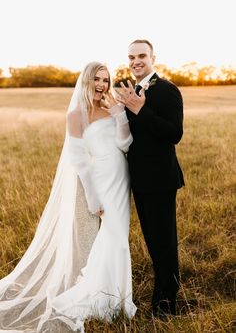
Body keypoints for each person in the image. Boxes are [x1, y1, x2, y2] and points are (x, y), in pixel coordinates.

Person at [0, 62, 136, 332]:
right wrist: (93, 197)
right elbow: (79, 160)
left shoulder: (109, 108)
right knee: (116, 237)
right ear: (86, 81)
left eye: (106, 80)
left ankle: (113, 296)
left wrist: (120, 116)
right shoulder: (76, 114)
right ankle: (104, 299)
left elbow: (125, 144)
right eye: (96, 79)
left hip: (121, 177)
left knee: (119, 237)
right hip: (101, 181)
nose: (101, 84)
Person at [115, 39, 184, 317]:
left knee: (164, 243)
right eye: (131, 57)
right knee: (153, 242)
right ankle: (161, 295)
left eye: (141, 55)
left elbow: (174, 134)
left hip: (160, 181)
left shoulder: (167, 90)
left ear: (153, 57)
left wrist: (140, 111)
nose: (135, 61)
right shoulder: (130, 90)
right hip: (139, 181)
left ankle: (166, 306)